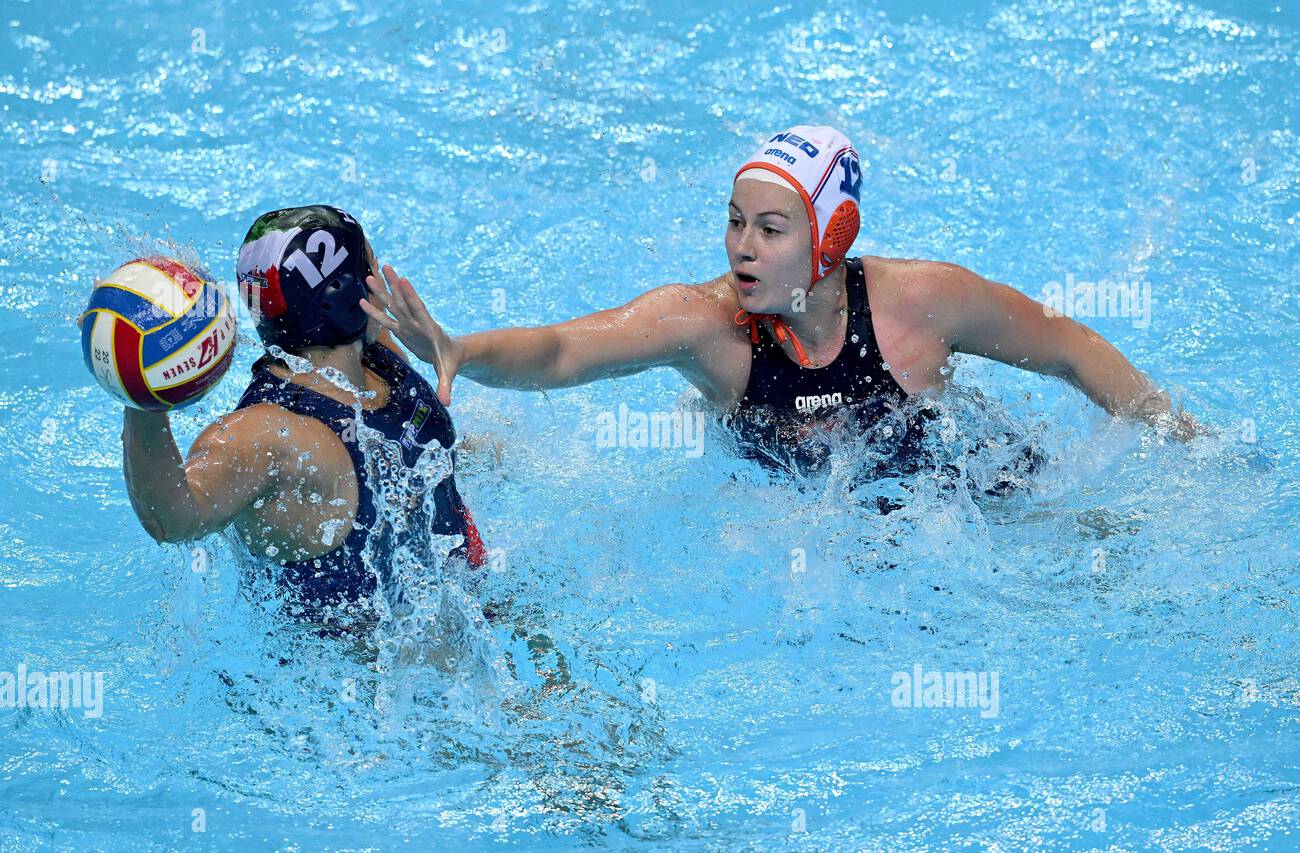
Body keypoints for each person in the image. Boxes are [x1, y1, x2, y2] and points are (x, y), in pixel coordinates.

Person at [361, 125, 1206, 492]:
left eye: (770, 229)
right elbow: (564, 351)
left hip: (969, 494)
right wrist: (461, 349)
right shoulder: (708, 327)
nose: (742, 248)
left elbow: (1066, 347)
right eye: (735, 222)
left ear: (831, 236)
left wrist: (1180, 435)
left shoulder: (921, 303)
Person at [117, 205, 486, 626]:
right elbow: (174, 519)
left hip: (472, 601)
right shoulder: (271, 435)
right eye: (370, 268)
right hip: (369, 658)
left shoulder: (375, 356)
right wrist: (142, 398)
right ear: (344, 293)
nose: (381, 283)